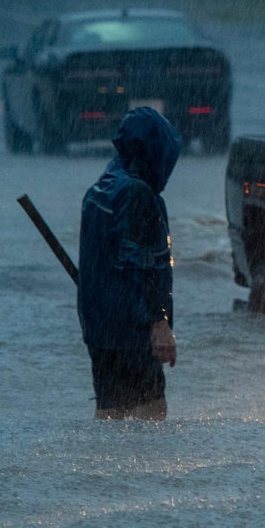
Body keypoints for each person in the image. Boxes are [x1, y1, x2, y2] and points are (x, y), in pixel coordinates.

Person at [77, 107, 181, 419]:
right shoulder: (138, 194)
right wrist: (158, 323)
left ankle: (99, 469)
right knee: (150, 418)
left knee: (111, 414)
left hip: (100, 329)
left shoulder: (100, 189)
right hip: (133, 332)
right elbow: (140, 265)